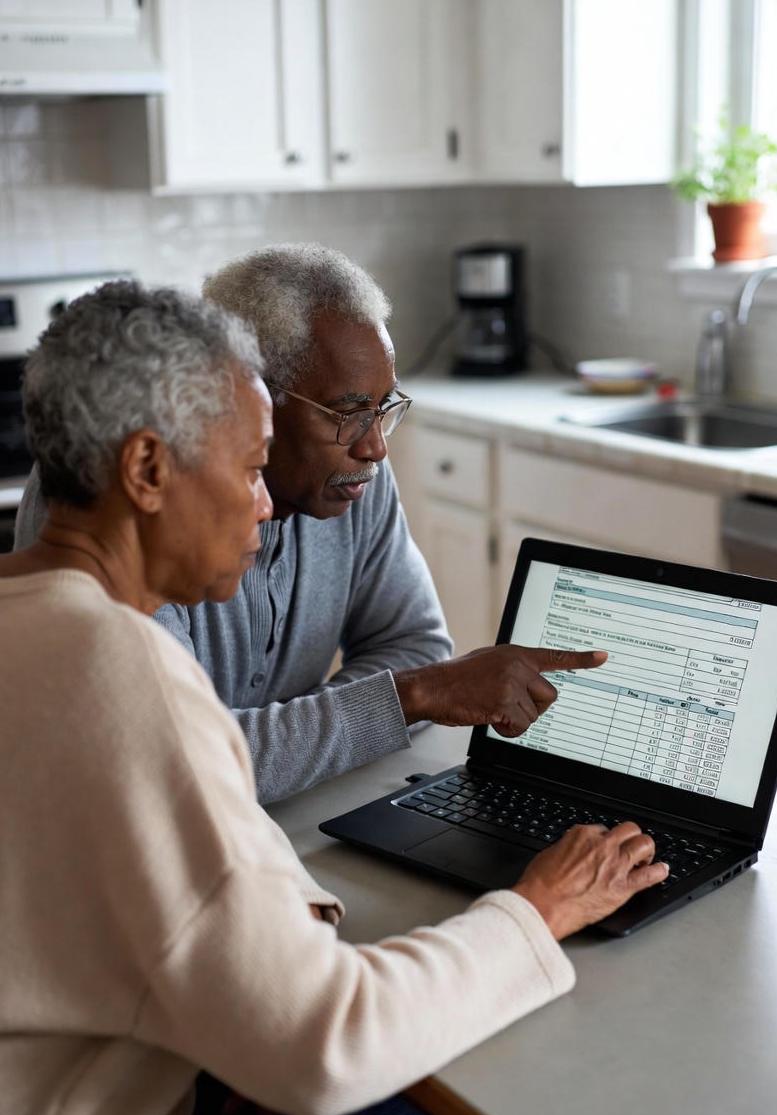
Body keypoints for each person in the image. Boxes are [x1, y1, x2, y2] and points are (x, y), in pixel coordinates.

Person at [1, 280, 668, 1115]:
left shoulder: (36, 619)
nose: (266, 506)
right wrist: (540, 907)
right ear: (149, 471)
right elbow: (329, 1044)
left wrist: (278, 930)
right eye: (247, 468)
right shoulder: (122, 668)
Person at [16, 244, 603, 805]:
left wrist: (294, 743)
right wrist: (409, 699)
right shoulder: (119, 517)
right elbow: (178, 764)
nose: (375, 448)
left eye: (384, 409)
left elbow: (412, 642)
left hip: (289, 810)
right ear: (252, 398)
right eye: (348, 413)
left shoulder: (349, 472)